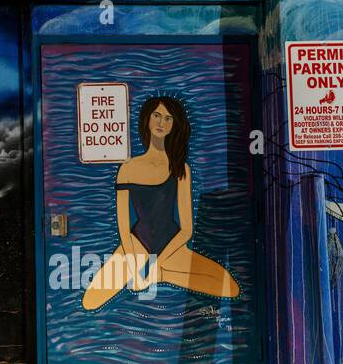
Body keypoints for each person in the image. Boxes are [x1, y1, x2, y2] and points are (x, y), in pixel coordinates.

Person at [82, 95, 240, 311]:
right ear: (147, 119)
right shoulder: (127, 168)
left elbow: (186, 230)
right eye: (157, 115)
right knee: (90, 301)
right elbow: (123, 226)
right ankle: (162, 274)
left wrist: (156, 265)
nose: (161, 123)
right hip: (137, 244)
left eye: (168, 118)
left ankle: (163, 274)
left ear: (174, 125)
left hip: (172, 246)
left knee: (230, 287)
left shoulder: (181, 169)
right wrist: (132, 264)